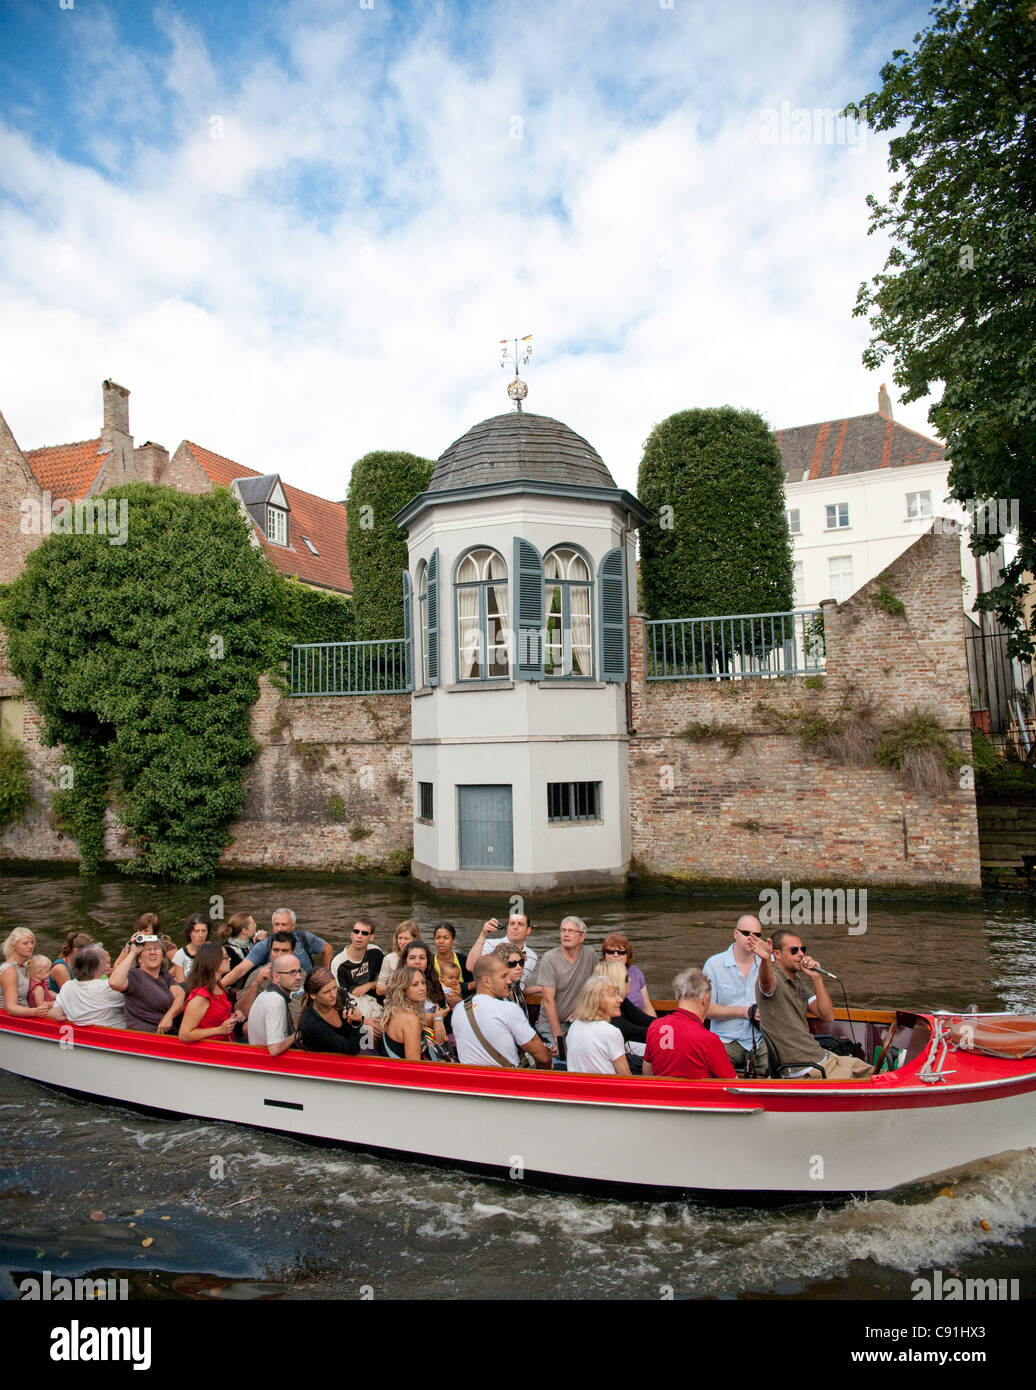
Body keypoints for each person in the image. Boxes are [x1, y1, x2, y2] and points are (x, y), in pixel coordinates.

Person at [751, 930, 874, 1080]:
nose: (801, 954)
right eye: (794, 950)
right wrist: (764, 960)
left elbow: (827, 1015)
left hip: (820, 1057)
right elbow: (766, 983)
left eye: (803, 949)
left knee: (868, 1070)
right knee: (870, 1078)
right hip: (805, 1068)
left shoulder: (797, 982)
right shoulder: (773, 979)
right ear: (777, 954)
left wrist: (817, 979)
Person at [452, 956, 550, 1069]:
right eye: (503, 976)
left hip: (469, 1081)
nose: (509, 981)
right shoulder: (508, 1009)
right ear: (486, 981)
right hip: (506, 1081)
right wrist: (549, 1061)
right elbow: (542, 1057)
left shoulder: (459, 1009)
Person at [703, 915, 769, 1075]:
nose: (751, 939)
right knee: (709, 1067)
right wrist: (743, 1012)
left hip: (760, 1039)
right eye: (746, 933)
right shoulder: (714, 964)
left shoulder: (768, 962)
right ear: (735, 933)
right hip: (725, 1040)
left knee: (779, 1064)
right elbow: (704, 1009)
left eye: (757, 936)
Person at [643, 969, 736, 1081]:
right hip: (695, 1097)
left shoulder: (655, 1027)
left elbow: (647, 1073)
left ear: (677, 996)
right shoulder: (708, 1039)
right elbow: (732, 1083)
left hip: (661, 1096)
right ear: (705, 1000)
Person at [223, 907, 332, 990]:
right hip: (277, 990)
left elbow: (328, 949)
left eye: (284, 925)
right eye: (276, 925)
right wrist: (218, 987)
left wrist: (325, 976)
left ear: (293, 926)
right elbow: (240, 970)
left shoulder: (305, 938)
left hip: (304, 990)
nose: (280, 929)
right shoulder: (264, 946)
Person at [535, 916, 599, 1054]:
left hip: (579, 1022)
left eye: (571, 931)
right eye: (563, 930)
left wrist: (582, 1010)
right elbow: (548, 1000)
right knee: (560, 1054)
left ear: (582, 937)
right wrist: (558, 1036)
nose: (565, 934)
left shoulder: (590, 955)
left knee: (591, 1052)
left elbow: (595, 989)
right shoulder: (550, 958)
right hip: (550, 1023)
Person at [108, 932, 185, 1035]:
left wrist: (169, 1016)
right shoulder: (133, 975)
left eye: (157, 949)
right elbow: (114, 983)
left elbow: (180, 996)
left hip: (170, 1033)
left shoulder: (165, 976)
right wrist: (132, 952)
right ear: (139, 959)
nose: (152, 952)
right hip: (147, 1037)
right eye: (147, 949)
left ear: (163, 957)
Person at [566, 976, 632, 1076]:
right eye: (613, 995)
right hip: (604, 1090)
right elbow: (626, 1077)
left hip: (577, 1089)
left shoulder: (574, 1026)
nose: (620, 999)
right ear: (598, 1001)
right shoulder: (610, 1032)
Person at [50, 945, 126, 1030]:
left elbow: (56, 1015)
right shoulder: (108, 987)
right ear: (97, 967)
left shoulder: (67, 986)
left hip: (82, 1035)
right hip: (115, 1035)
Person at [179, 944, 241, 1044]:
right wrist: (219, 1030)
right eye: (225, 957)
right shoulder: (201, 997)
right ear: (213, 962)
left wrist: (233, 1016)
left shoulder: (218, 986)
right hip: (209, 1050)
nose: (229, 959)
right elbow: (184, 1035)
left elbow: (213, 1016)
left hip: (225, 1044)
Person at [381, 966, 446, 1061]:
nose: (422, 988)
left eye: (423, 983)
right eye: (415, 985)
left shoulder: (397, 1010)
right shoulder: (410, 1019)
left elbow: (430, 1017)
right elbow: (414, 1065)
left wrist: (438, 1021)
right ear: (403, 989)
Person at [246, 954, 302, 1056]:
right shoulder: (275, 1000)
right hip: (264, 1064)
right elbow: (275, 1049)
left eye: (299, 971)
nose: (298, 977)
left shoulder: (267, 994)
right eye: (292, 972)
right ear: (276, 977)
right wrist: (299, 1034)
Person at [298, 968, 364, 1055]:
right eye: (326, 992)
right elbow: (351, 1050)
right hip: (324, 1061)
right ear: (313, 995)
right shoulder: (312, 1023)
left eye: (334, 988)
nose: (333, 994)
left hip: (348, 1049)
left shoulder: (341, 994)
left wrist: (355, 1016)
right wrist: (356, 1024)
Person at [466, 910, 538, 987]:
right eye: (512, 924)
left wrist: (543, 988)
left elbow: (520, 987)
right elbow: (471, 967)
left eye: (520, 924)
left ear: (528, 930)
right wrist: (483, 935)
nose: (515, 927)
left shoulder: (532, 956)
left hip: (514, 997)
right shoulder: (490, 945)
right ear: (507, 928)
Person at [332, 918, 385, 1020]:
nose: (359, 936)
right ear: (351, 934)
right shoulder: (338, 963)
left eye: (364, 933)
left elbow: (389, 979)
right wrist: (365, 1022)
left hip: (373, 995)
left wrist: (370, 985)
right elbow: (339, 997)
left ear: (371, 937)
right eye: (356, 932)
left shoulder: (375, 952)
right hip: (352, 1001)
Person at [0, 929, 52, 1018]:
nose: (31, 946)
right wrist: (36, 1011)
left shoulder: (25, 966)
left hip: (29, 1011)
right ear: (13, 946)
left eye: (32, 942)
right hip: (13, 1019)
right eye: (25, 943)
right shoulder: (9, 971)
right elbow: (11, 1008)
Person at [601, 934, 656, 1015]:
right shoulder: (599, 974)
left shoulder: (635, 972)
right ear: (604, 955)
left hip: (638, 1018)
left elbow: (646, 1006)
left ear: (628, 955)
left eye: (621, 952)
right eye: (610, 951)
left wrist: (657, 1025)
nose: (615, 955)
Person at [376, 920, 421, 997]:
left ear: (415, 939)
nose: (402, 942)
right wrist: (398, 987)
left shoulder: (422, 957)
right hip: (394, 1000)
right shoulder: (389, 958)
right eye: (400, 938)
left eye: (406, 939)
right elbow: (379, 990)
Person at [431, 923, 474, 998]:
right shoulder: (430, 962)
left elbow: (471, 986)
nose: (441, 941)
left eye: (446, 938)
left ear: (453, 940)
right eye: (437, 938)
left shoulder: (462, 960)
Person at [490, 941, 530, 1019]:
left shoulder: (515, 987)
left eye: (521, 962)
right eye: (512, 964)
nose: (519, 967)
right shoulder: (496, 995)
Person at [171, 913, 210, 984]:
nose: (201, 935)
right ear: (189, 932)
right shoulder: (180, 954)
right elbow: (181, 984)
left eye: (203, 931)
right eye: (196, 931)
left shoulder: (214, 951)